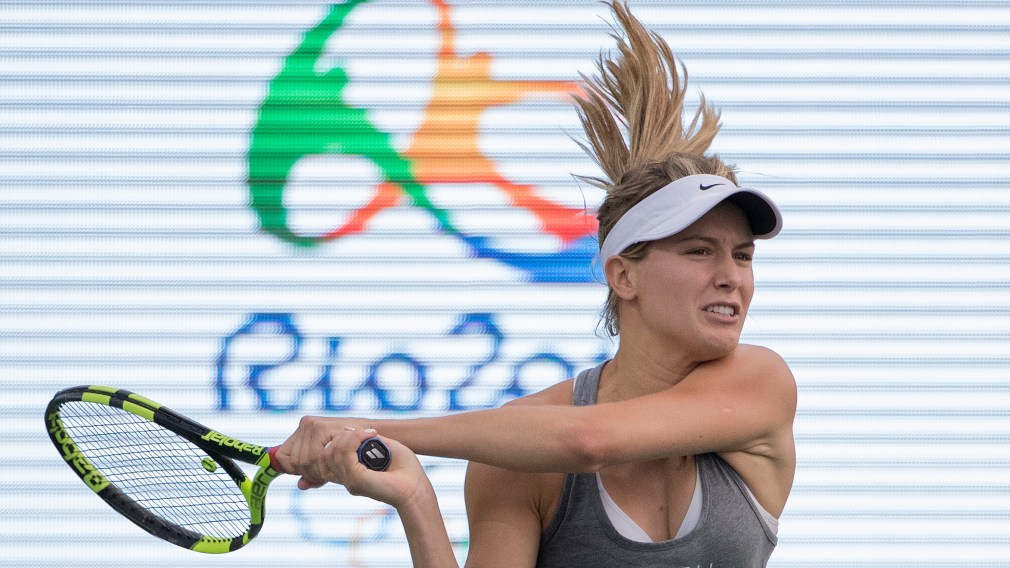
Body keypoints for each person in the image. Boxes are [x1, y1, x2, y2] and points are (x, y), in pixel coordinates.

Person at [272, 2, 796, 566]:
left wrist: (364, 429)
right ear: (623, 274)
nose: (731, 278)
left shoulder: (760, 382)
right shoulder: (511, 455)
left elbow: (587, 442)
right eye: (700, 252)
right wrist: (414, 498)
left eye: (743, 257)